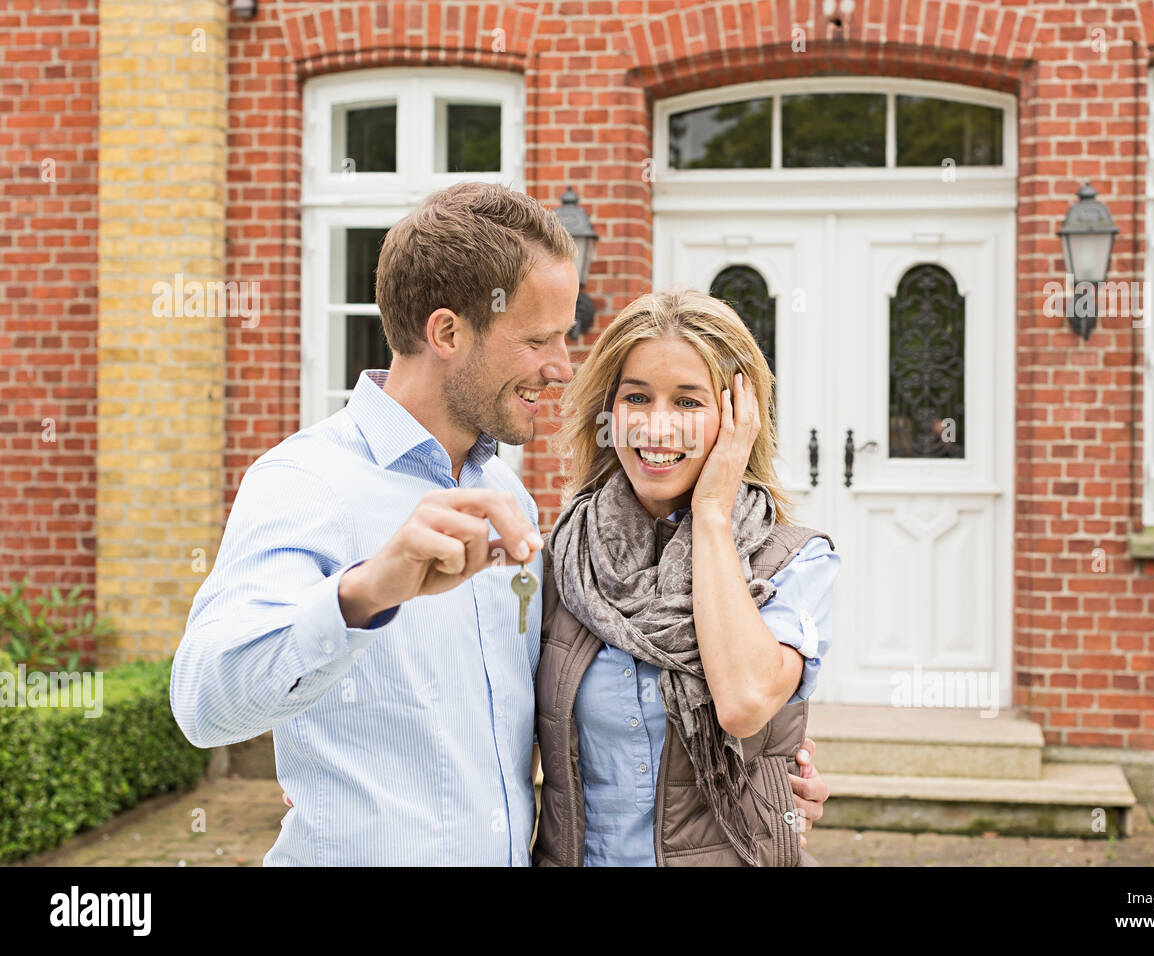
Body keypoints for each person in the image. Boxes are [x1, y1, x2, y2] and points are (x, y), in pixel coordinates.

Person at [169, 182, 829, 865]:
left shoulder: (510, 497)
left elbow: (572, 716)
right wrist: (364, 593)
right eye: (538, 339)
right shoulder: (305, 481)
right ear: (448, 332)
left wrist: (766, 776)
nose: (561, 367)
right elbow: (203, 704)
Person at [534, 290, 840, 866]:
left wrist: (713, 514)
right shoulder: (564, 561)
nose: (658, 426)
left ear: (738, 417)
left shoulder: (796, 563)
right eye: (637, 397)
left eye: (689, 403)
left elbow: (744, 703)